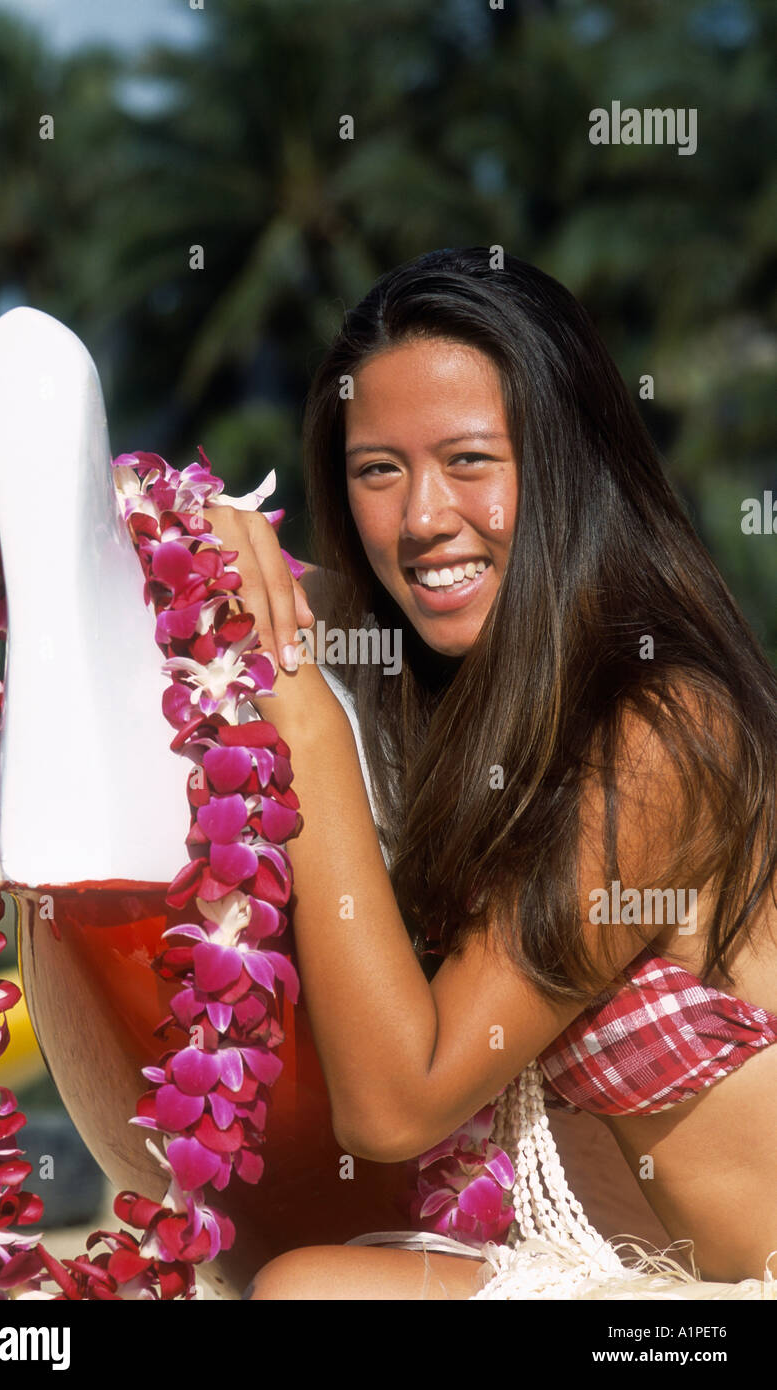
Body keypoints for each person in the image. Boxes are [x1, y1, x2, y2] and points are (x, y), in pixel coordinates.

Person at [203, 247, 777, 1299]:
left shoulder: (665, 725)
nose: (421, 518)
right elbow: (197, 579)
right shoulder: (441, 664)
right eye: (378, 470)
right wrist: (165, 510)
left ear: (564, 469)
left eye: (470, 460)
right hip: (602, 1275)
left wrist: (311, 729)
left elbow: (393, 1108)